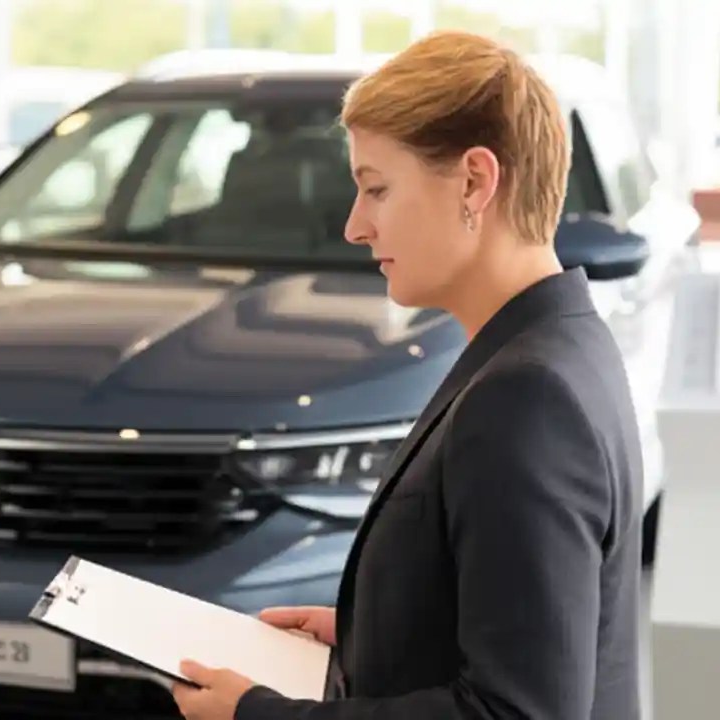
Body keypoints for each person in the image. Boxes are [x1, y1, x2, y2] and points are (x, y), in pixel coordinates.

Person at [171, 29, 643, 720]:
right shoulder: (561, 343)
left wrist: (261, 715)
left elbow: (514, 712)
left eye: (377, 189)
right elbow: (517, 623)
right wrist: (372, 640)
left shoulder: (526, 396)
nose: (356, 226)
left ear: (475, 182)